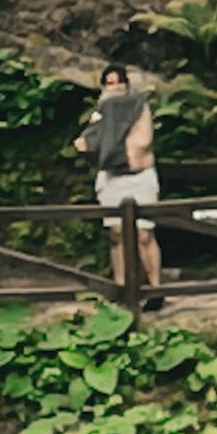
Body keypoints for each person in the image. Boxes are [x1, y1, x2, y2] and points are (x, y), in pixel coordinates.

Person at [80, 47, 162, 312]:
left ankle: (156, 288)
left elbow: (142, 142)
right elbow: (94, 134)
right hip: (112, 178)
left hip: (138, 175)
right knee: (117, 234)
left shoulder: (137, 105)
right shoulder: (103, 110)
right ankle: (122, 288)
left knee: (143, 234)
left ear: (126, 84)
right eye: (109, 83)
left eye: (119, 82)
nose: (114, 87)